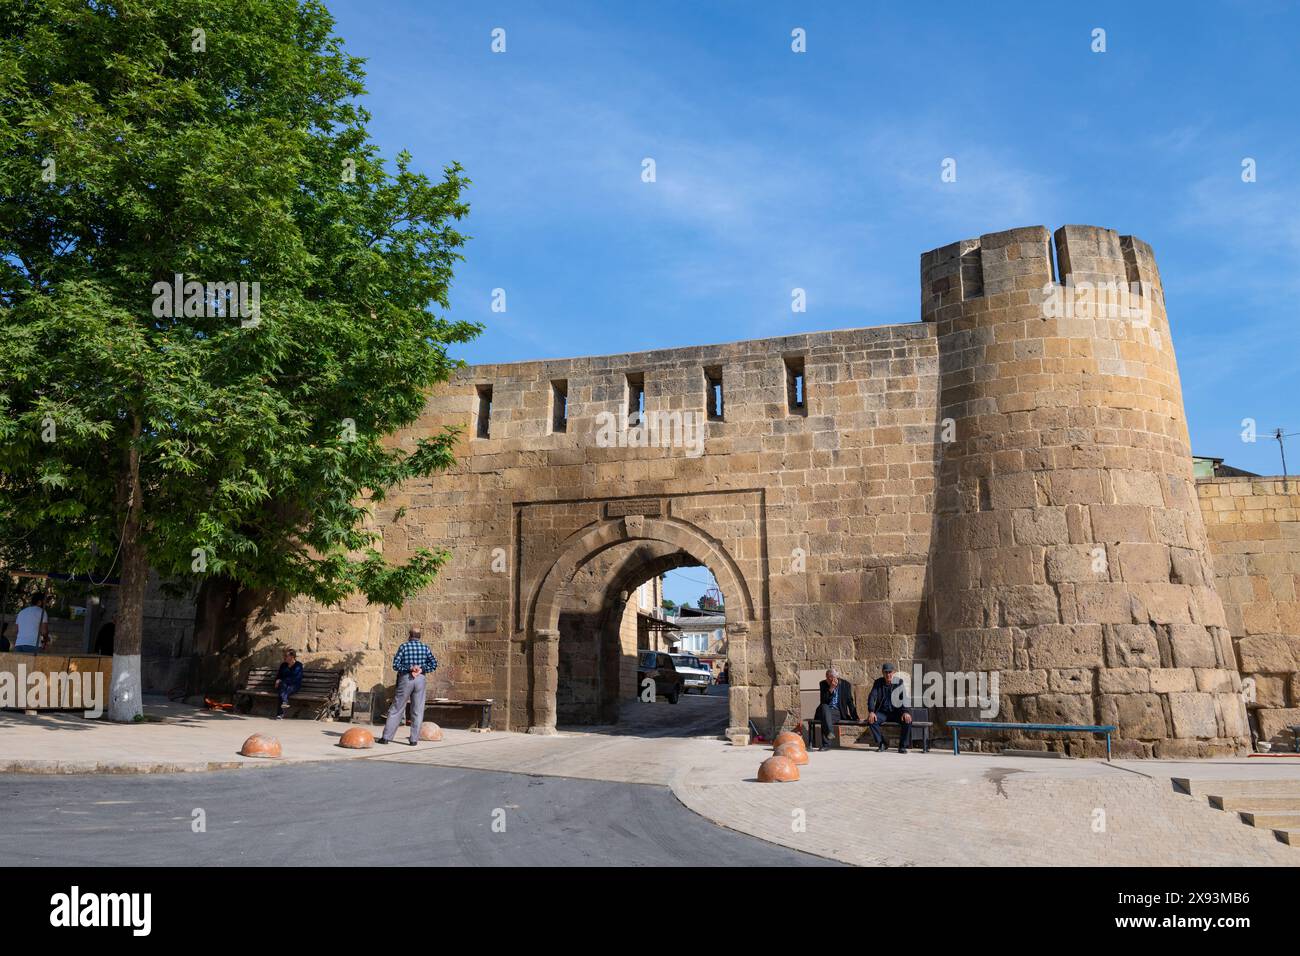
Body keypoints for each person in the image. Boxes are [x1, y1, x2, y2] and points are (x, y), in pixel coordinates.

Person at [377, 627, 438, 746]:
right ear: (420, 636)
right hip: (420, 679)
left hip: (406, 678)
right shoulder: (425, 648)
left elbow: (396, 665)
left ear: (409, 635)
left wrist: (410, 668)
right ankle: (414, 740)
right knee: (417, 710)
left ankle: (386, 738)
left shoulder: (404, 647)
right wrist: (421, 669)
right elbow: (434, 664)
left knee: (397, 708)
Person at [866, 662, 913, 753]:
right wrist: (871, 711)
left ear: (893, 672)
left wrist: (906, 712)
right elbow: (872, 697)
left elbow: (904, 698)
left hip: (896, 712)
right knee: (871, 720)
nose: (888, 674)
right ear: (883, 673)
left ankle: (902, 746)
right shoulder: (878, 683)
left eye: (890, 672)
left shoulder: (899, 682)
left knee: (908, 720)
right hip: (883, 712)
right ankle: (882, 743)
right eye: (886, 672)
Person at [816, 666, 858, 751]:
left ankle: (826, 744)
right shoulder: (823, 684)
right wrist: (831, 688)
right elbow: (823, 700)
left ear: (835, 678)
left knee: (826, 718)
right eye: (827, 678)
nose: (827, 680)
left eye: (829, 679)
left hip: (837, 712)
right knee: (824, 707)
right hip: (824, 710)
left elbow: (850, 701)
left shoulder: (846, 685)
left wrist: (855, 716)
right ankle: (830, 732)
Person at [273, 649, 304, 719]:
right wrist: (277, 680)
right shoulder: (283, 665)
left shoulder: (298, 665)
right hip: (282, 685)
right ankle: (285, 702)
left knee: (282, 692)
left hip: (294, 686)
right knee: (283, 688)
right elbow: (278, 676)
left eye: (286, 656)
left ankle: (280, 714)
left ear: (292, 656)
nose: (284, 657)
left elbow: (295, 679)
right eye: (284, 656)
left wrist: (281, 681)